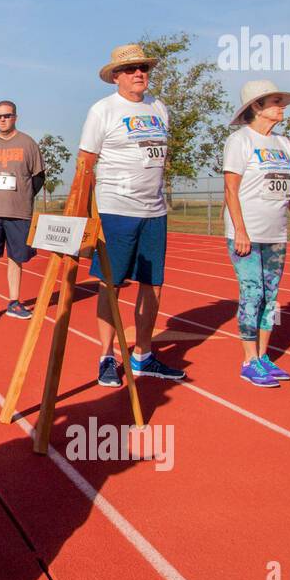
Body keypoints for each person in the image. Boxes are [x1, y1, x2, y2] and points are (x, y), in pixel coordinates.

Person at [78, 43, 187, 388]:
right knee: (111, 285)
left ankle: (143, 355)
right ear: (115, 77)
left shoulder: (160, 108)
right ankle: (107, 356)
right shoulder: (103, 110)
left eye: (143, 68)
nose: (138, 73)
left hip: (154, 212)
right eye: (130, 69)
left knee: (152, 285)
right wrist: (82, 213)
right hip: (115, 211)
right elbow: (85, 163)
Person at [221, 81, 290, 387]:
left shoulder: (285, 144)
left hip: (276, 234)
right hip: (246, 234)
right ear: (257, 108)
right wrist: (241, 230)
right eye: (276, 101)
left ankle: (263, 356)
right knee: (253, 293)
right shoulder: (240, 141)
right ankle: (248, 360)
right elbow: (231, 188)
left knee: (271, 298)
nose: (282, 106)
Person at [0, 100, 44, 321]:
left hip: (18, 212)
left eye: (7, 115)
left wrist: (22, 195)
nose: (2, 119)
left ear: (15, 117)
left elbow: (38, 177)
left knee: (16, 257)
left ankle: (14, 302)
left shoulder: (28, 143)